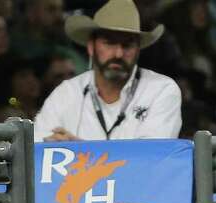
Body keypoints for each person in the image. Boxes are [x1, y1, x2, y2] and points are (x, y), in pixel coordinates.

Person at [34, 0, 181, 142]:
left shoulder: (161, 90)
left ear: (138, 50)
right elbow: (36, 147)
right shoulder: (66, 93)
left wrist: (78, 152)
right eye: (109, 43)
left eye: (127, 45)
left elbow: (152, 157)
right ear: (91, 47)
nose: (118, 54)